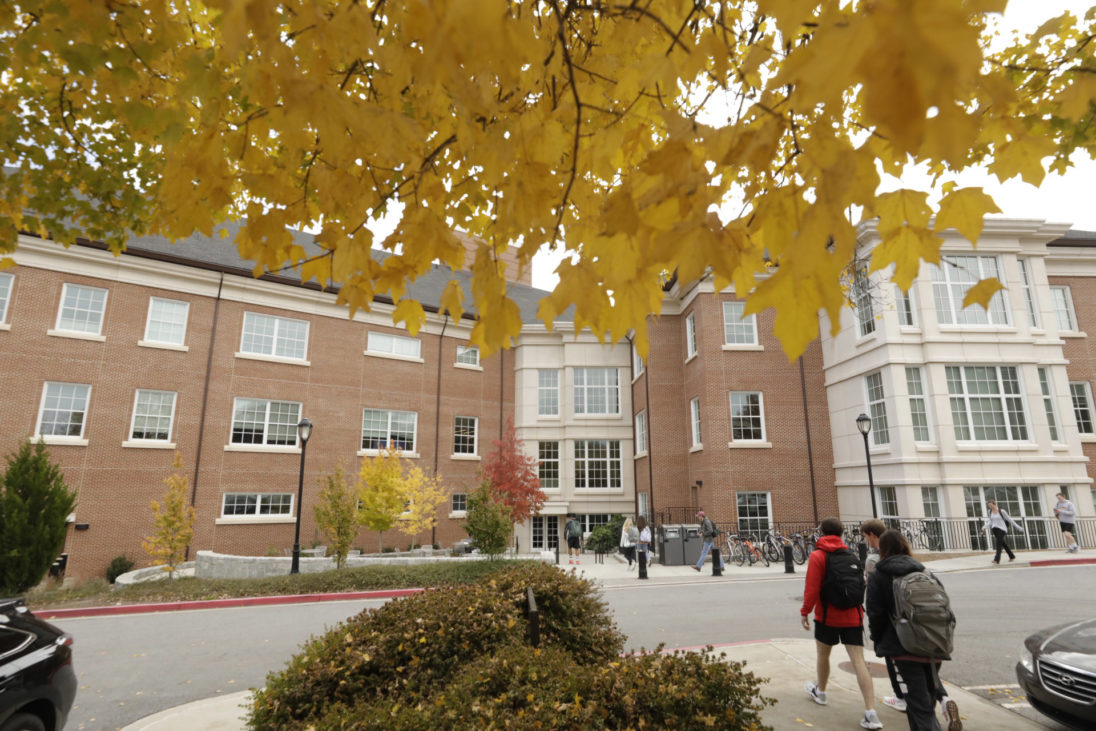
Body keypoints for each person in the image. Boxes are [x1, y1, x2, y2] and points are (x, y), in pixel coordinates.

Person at [866, 529, 961, 731]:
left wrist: (879, 641)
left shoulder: (879, 575)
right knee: (923, 701)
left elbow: (875, 614)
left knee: (920, 708)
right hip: (933, 643)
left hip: (902, 647)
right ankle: (942, 702)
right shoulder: (924, 572)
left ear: (882, 549)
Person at [800, 517, 882, 730]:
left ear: (822, 533)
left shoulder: (818, 556)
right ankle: (871, 712)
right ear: (841, 534)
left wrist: (805, 612)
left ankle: (822, 692)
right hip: (853, 616)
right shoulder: (851, 555)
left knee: (823, 654)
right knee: (858, 661)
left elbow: (812, 589)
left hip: (827, 616)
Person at [862, 519, 907, 714]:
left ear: (872, 535)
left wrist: (875, 633)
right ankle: (942, 696)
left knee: (895, 660)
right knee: (922, 667)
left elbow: (873, 600)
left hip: (891, 618)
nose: (865, 540)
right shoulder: (910, 560)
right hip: (911, 616)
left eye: (865, 536)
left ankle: (901, 698)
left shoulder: (874, 561)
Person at [984, 500, 1023, 564]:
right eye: (989, 505)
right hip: (995, 529)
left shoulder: (1002, 511)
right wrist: (984, 527)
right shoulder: (990, 512)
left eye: (991, 505)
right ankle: (1011, 556)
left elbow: (1010, 520)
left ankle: (996, 559)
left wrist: (1018, 527)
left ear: (994, 504)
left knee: (998, 544)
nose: (990, 506)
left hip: (1002, 529)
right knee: (1003, 544)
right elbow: (990, 521)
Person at [636, 515, 651, 580]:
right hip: (645, 541)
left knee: (639, 551)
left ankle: (639, 562)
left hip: (639, 541)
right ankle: (648, 560)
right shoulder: (646, 527)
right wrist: (649, 541)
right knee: (646, 551)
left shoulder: (637, 527)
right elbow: (649, 534)